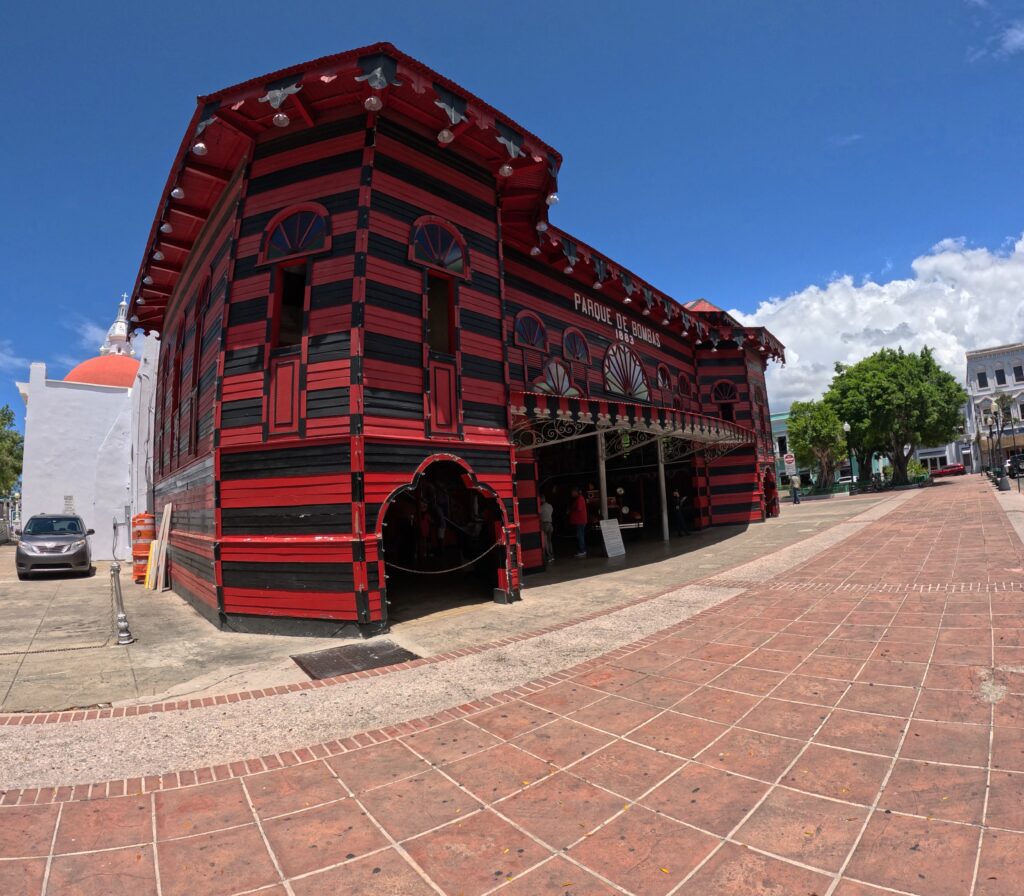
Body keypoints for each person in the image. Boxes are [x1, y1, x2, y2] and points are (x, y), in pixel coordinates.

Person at [568, 487, 588, 558]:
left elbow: (579, 508)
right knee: (581, 536)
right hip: (581, 520)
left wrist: (571, 510)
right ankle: (583, 550)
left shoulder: (579, 498)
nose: (572, 494)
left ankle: (582, 551)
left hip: (580, 521)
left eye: (573, 492)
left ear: (576, 492)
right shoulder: (580, 498)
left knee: (580, 536)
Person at [539, 495, 555, 562]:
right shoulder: (550, 506)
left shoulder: (540, 507)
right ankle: (552, 556)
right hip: (550, 524)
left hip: (544, 525)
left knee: (545, 542)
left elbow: (539, 515)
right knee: (549, 541)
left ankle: (548, 557)